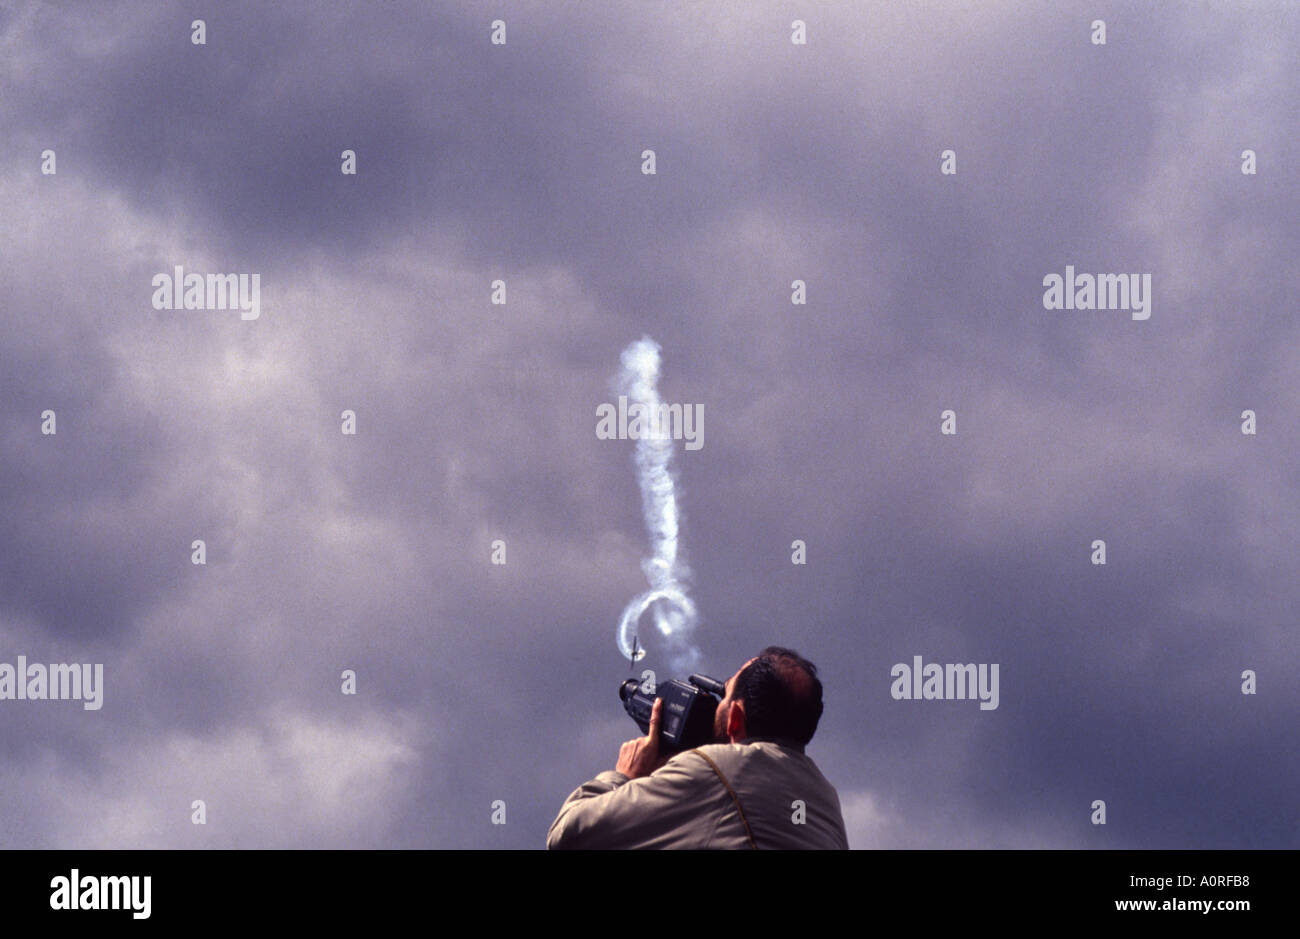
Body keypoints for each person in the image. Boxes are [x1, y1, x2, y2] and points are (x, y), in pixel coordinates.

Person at [546, 646, 849, 849]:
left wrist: (624, 777)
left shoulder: (714, 769)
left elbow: (568, 835)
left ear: (735, 718)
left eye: (724, 694)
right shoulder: (825, 799)